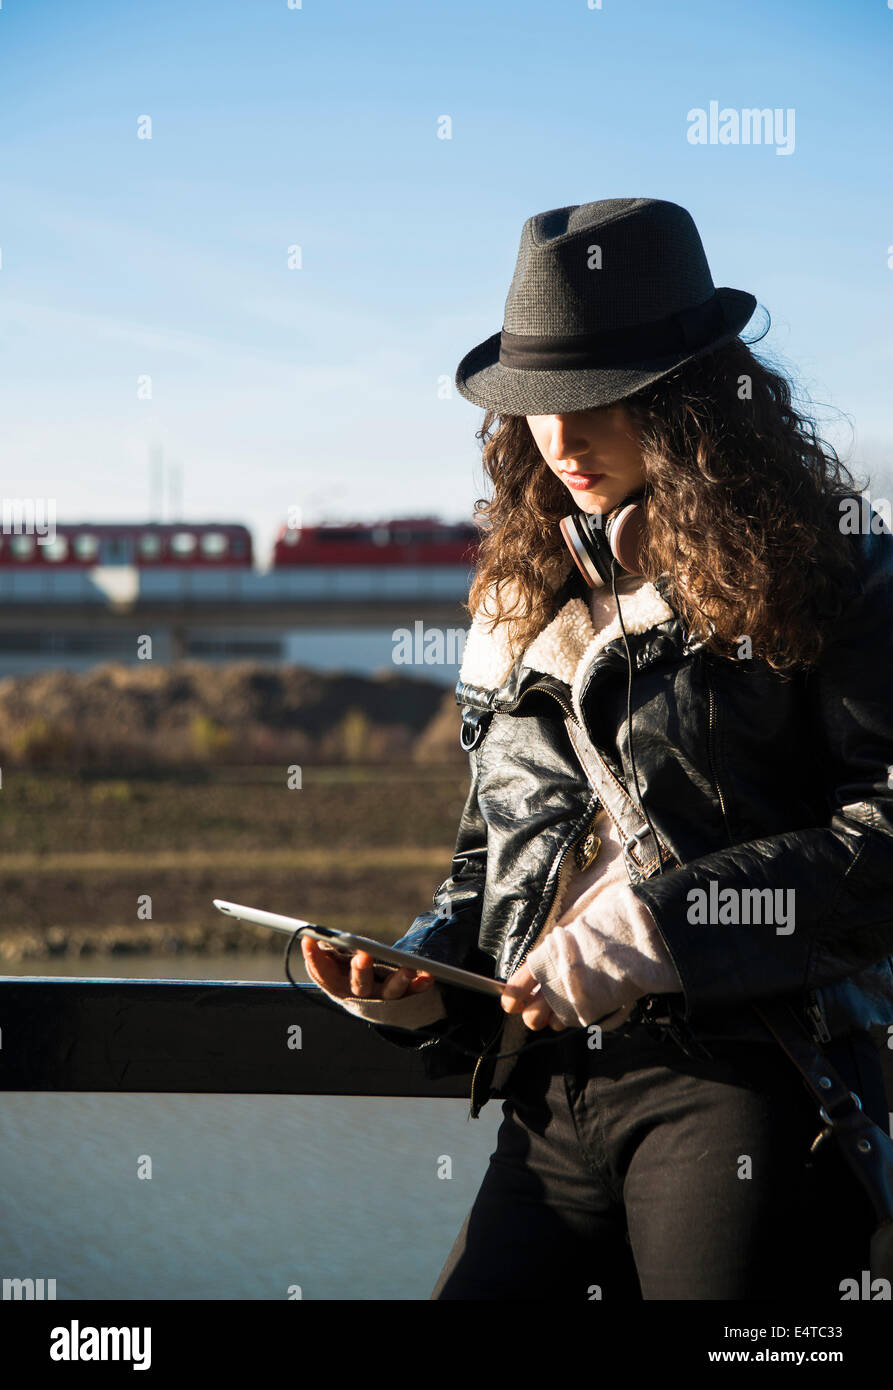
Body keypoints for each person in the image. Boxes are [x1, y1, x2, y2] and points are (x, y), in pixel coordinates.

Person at [301, 198, 893, 1301]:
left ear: (690, 400)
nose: (559, 440)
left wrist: (665, 927)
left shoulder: (840, 576)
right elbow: (493, 869)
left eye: (597, 400)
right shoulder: (519, 603)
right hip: (547, 1094)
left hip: (748, 1080)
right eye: (534, 407)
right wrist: (418, 977)